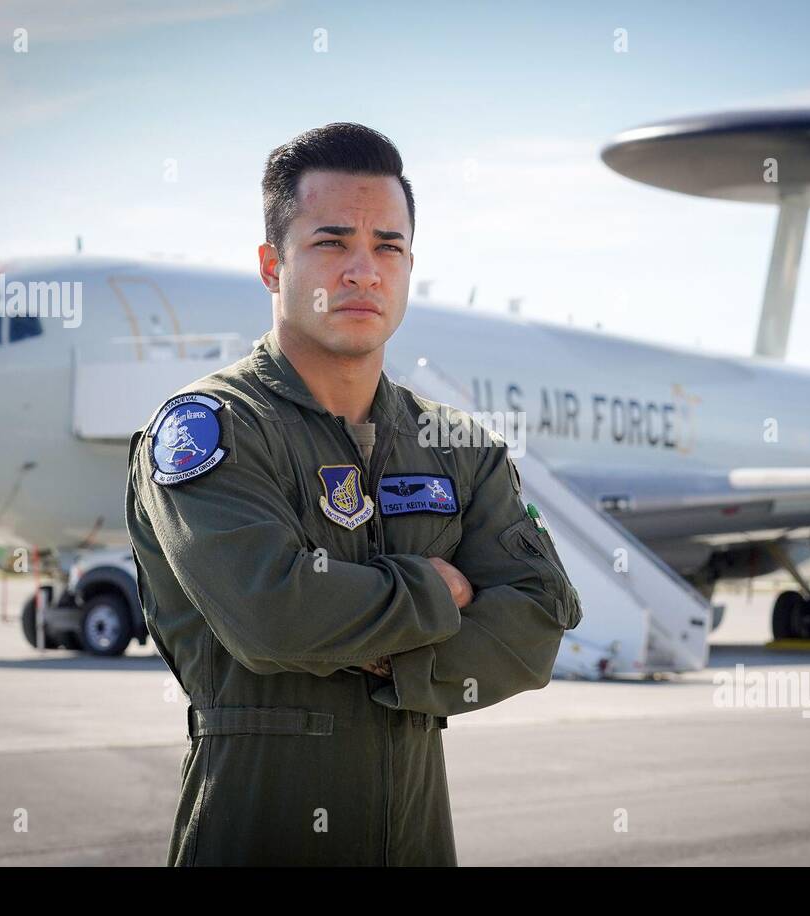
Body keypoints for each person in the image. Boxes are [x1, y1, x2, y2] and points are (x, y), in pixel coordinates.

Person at [124, 122, 582, 865]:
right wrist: (434, 594)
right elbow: (272, 614)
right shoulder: (211, 433)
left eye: (388, 247)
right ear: (273, 266)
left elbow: (536, 623)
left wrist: (385, 655)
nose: (364, 271)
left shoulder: (458, 446)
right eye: (332, 243)